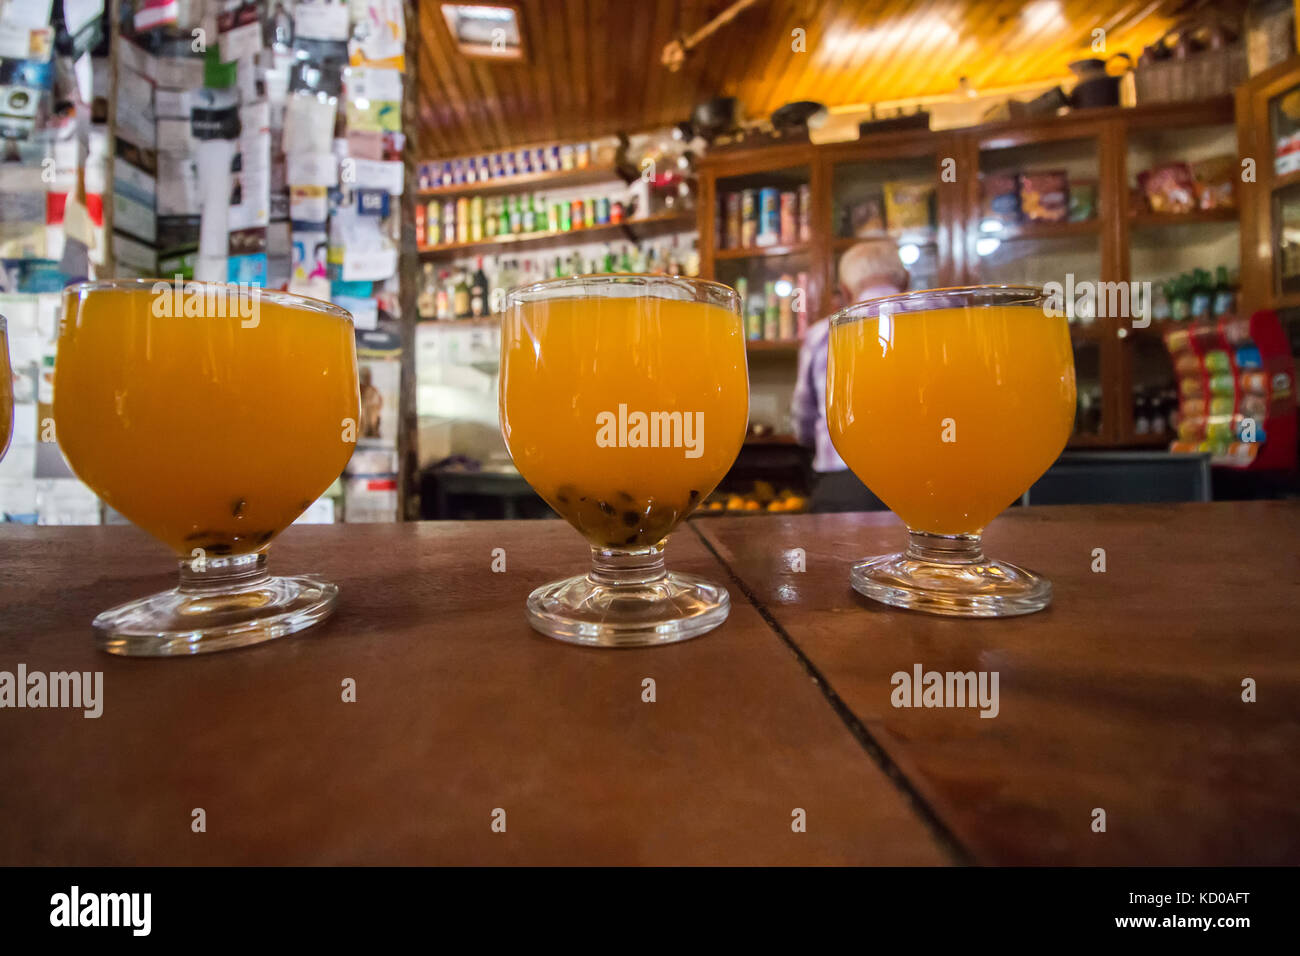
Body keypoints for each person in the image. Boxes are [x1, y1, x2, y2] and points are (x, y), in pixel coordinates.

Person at [791, 238, 908, 513]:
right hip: (923, 482)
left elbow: (803, 422)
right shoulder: (937, 323)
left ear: (844, 291)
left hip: (843, 486)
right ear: (906, 280)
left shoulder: (821, 334)